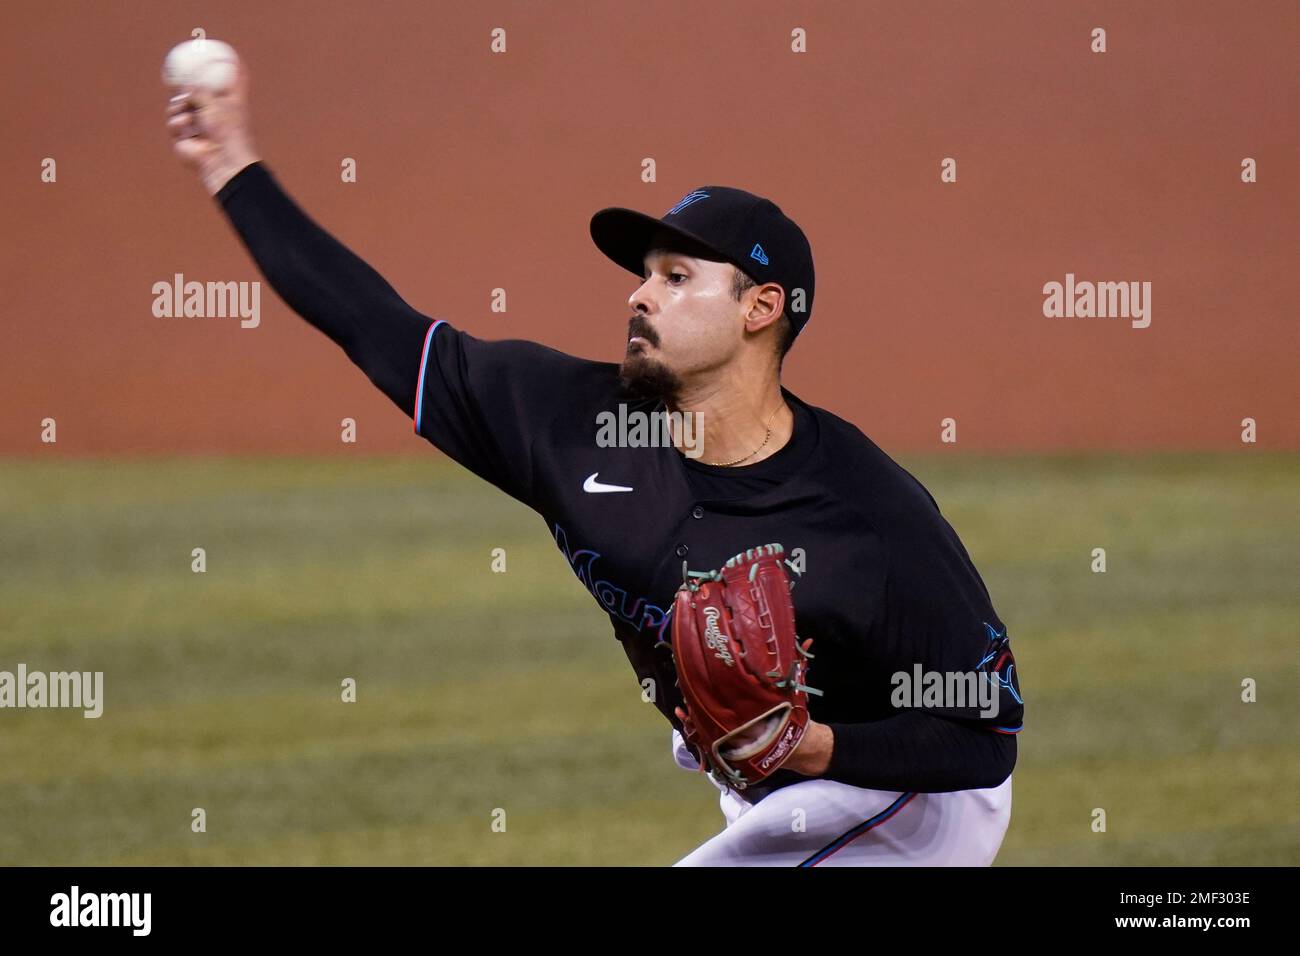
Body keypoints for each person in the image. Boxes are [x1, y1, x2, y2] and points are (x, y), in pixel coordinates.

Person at [165, 60, 1023, 866]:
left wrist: (813, 743)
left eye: (677, 276)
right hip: (773, 792)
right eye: (644, 274)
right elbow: (372, 322)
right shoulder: (570, 422)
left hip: (901, 805)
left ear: (761, 308)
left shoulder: (869, 514)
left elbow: (985, 734)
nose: (640, 294)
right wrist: (230, 164)